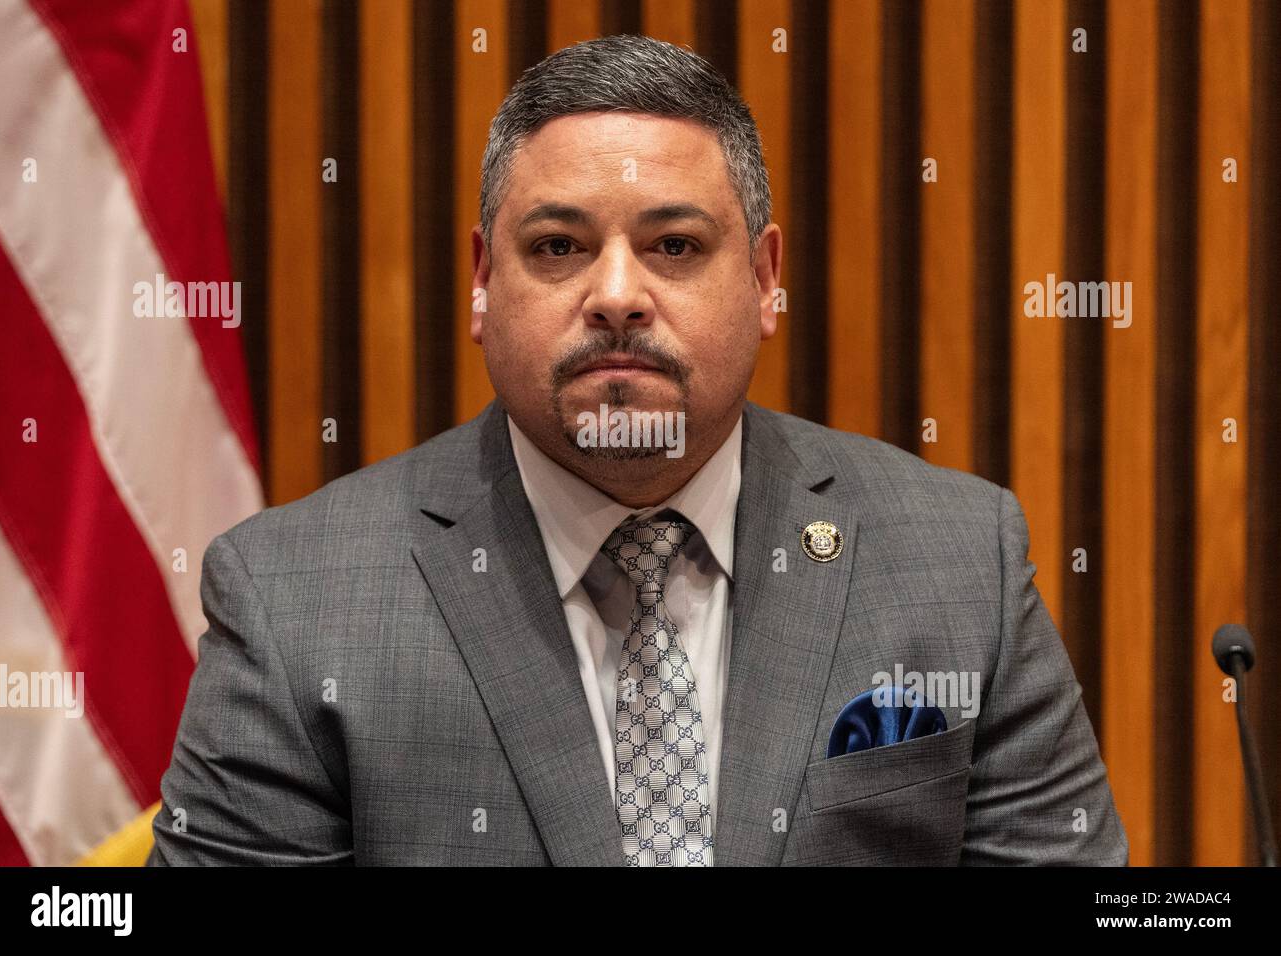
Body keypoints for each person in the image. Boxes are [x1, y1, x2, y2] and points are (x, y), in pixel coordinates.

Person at [148, 34, 1127, 866]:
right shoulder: (297, 599)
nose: (616, 295)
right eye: (559, 247)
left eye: (673, 246)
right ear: (483, 283)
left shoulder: (957, 559)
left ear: (766, 278)